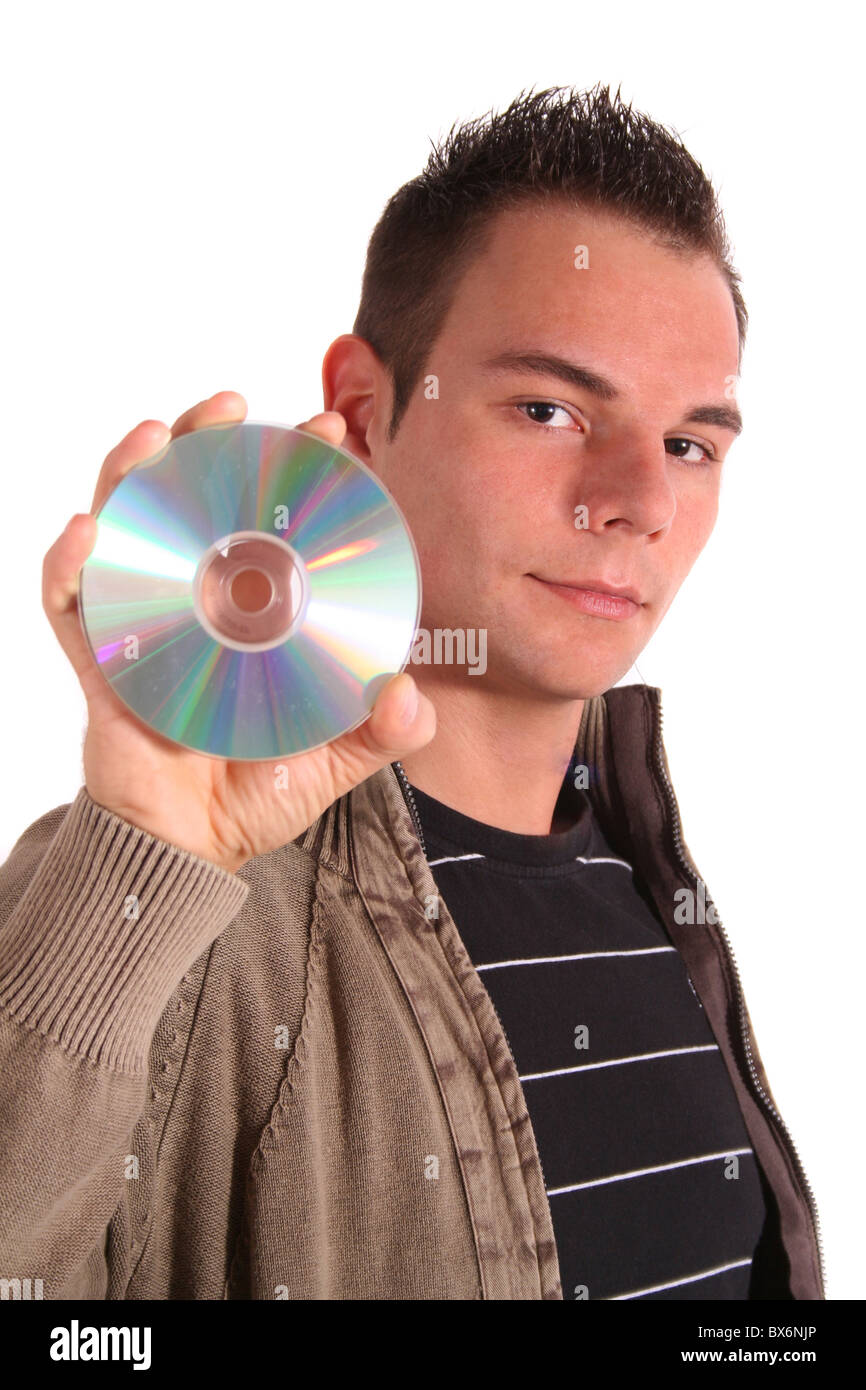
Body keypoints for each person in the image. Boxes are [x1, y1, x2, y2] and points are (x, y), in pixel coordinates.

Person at [0, 83, 823, 1300]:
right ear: (366, 409)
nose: (637, 501)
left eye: (690, 444)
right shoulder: (176, 910)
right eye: (548, 408)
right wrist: (133, 870)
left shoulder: (656, 883)